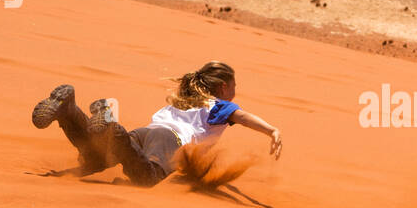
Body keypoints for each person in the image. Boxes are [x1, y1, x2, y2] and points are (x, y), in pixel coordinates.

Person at [31, 61, 282, 187]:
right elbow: (243, 117)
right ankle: (110, 127)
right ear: (223, 86)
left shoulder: (185, 99)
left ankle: (69, 111)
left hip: (143, 133)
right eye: (235, 86)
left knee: (96, 158)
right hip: (168, 141)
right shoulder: (218, 105)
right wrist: (271, 130)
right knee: (148, 178)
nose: (235, 92)